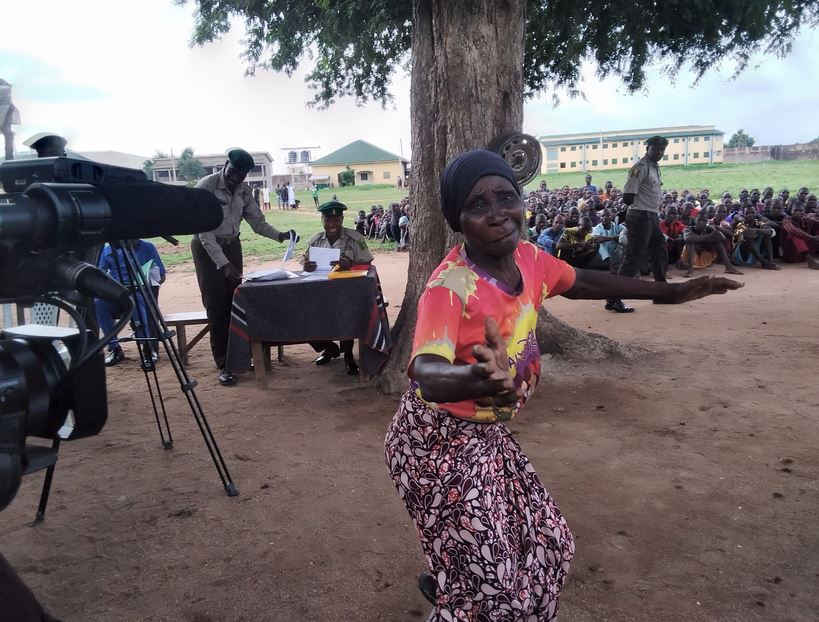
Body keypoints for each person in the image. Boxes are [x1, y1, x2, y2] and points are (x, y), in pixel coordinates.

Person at [385, 149, 742, 622]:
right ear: (458, 221)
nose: (497, 214)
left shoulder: (530, 261)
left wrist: (669, 291)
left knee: (550, 543)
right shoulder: (450, 287)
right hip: (434, 445)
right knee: (495, 585)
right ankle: (459, 597)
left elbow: (584, 283)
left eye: (507, 197)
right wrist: (475, 377)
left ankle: (456, 584)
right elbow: (426, 372)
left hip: (487, 438)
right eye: (477, 206)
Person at [193, 148, 298, 386]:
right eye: (234, 171)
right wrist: (224, 264)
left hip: (232, 245)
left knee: (235, 303)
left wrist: (281, 236)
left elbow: (258, 223)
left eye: (241, 174)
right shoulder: (206, 187)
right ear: (225, 165)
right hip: (206, 249)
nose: (236, 177)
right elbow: (204, 234)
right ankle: (223, 365)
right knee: (216, 307)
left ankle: (240, 357)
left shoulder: (244, 191)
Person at [302, 200, 373, 375]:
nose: (331, 224)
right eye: (327, 220)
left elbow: (368, 264)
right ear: (322, 220)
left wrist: (348, 264)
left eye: (335, 220)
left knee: (345, 314)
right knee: (303, 314)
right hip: (320, 293)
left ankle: (348, 355)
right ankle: (329, 348)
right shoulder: (316, 240)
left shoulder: (355, 239)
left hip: (348, 293)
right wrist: (306, 265)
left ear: (341, 219)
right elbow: (304, 260)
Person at [605, 135, 668, 313]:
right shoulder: (640, 168)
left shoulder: (654, 167)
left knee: (660, 251)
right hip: (640, 216)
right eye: (656, 149)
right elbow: (628, 195)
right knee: (633, 258)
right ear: (647, 149)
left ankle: (661, 293)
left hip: (652, 215)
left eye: (662, 150)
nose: (659, 152)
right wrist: (632, 211)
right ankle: (613, 299)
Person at [95, 239, 166, 367]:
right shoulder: (108, 250)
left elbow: (161, 274)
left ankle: (148, 349)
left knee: (137, 301)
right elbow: (100, 274)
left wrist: (146, 281)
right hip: (117, 294)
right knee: (98, 303)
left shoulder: (148, 247)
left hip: (140, 292)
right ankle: (115, 348)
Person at [681, 212, 743, 277]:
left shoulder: (709, 228)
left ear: (707, 221)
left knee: (718, 243)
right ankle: (690, 270)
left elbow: (722, 238)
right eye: (699, 220)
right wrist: (710, 236)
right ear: (695, 220)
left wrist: (717, 231)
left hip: (705, 260)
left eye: (704, 220)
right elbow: (687, 239)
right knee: (691, 243)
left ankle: (729, 267)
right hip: (689, 260)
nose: (701, 222)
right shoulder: (688, 229)